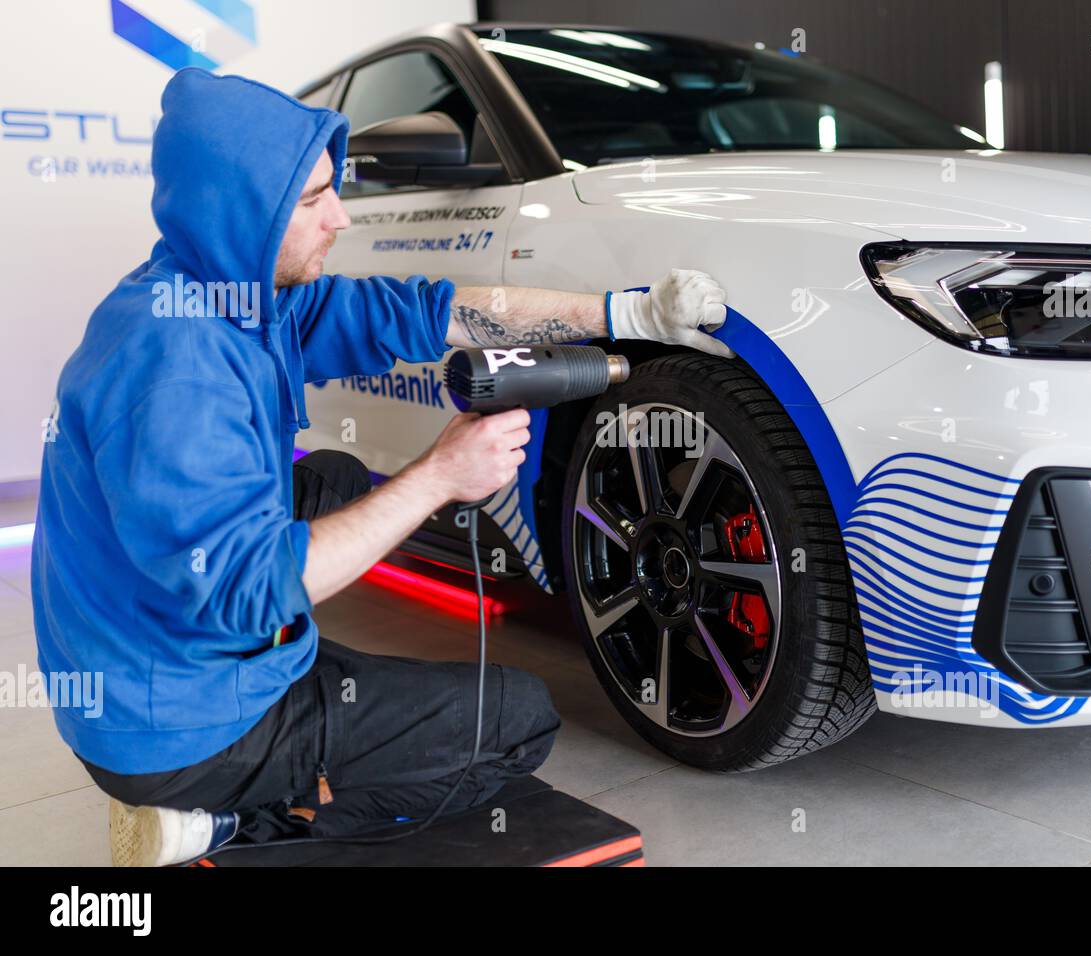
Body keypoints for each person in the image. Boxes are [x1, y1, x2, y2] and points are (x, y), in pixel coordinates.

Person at [30, 67, 732, 866]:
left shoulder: (235, 297)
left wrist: (627, 314)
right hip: (177, 729)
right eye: (310, 201)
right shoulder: (177, 372)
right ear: (241, 216)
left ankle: (284, 705)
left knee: (329, 472)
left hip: (152, 663)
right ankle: (216, 820)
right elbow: (245, 592)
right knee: (516, 719)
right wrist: (439, 476)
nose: (339, 217)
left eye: (335, 189)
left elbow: (427, 311)